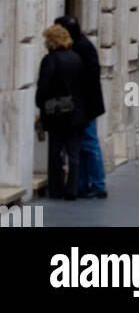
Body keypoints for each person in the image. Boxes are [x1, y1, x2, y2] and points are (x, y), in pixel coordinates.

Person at [54, 14, 106, 199]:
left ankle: (99, 184)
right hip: (84, 104)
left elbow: (90, 78)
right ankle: (85, 183)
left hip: (87, 106)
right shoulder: (80, 44)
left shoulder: (82, 46)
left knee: (90, 144)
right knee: (84, 145)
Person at [35, 24, 88, 200]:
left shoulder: (50, 59)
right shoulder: (76, 58)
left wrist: (40, 105)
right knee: (73, 154)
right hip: (77, 112)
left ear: (51, 41)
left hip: (57, 113)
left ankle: (56, 189)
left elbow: (43, 87)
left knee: (55, 152)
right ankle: (72, 190)